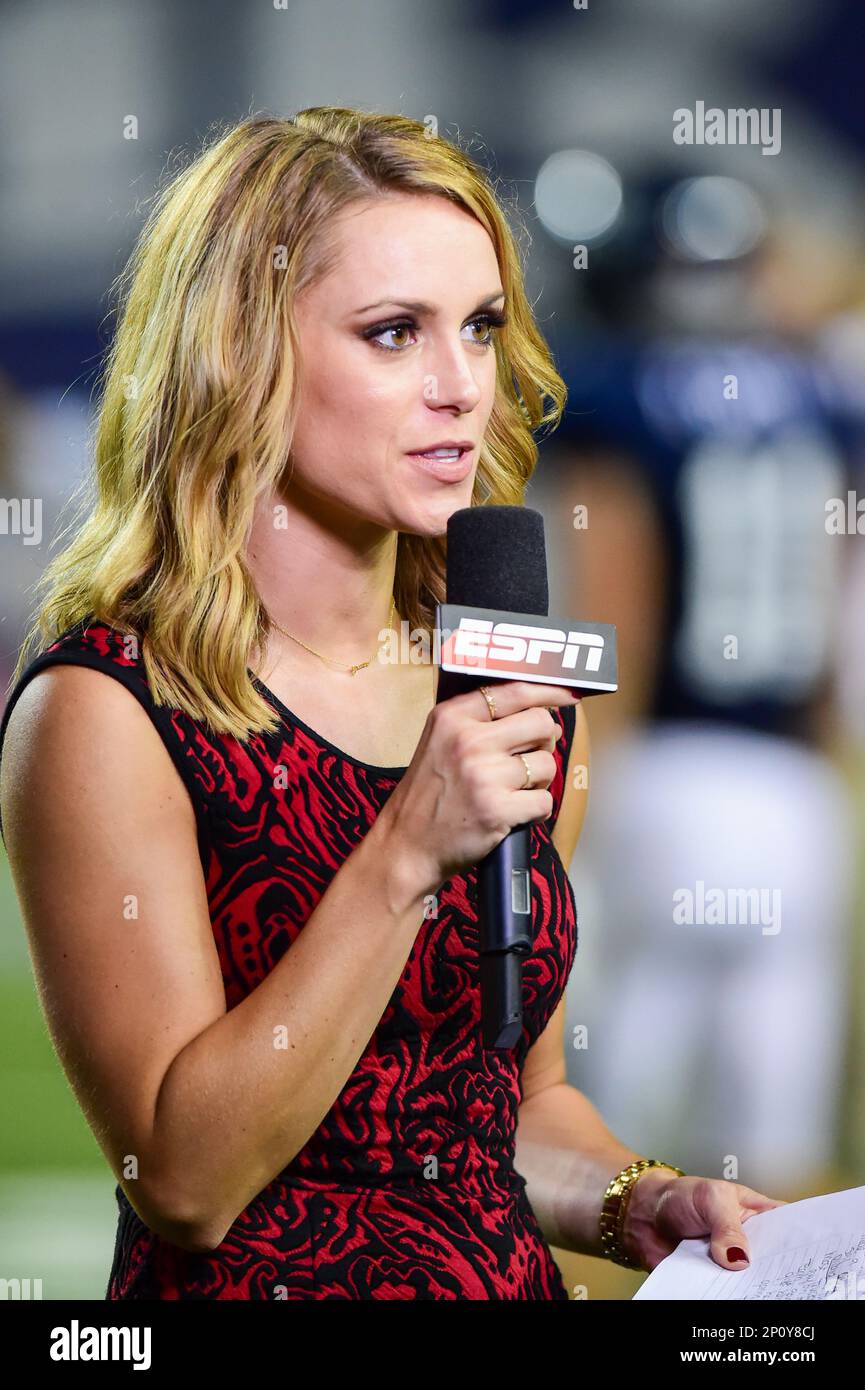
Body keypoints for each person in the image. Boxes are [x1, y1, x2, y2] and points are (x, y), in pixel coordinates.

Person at [0, 109, 784, 1300]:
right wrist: (407, 847)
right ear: (239, 354)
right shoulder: (108, 704)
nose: (460, 386)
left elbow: (500, 1116)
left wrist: (644, 1198)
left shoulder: (505, 685)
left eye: (478, 328)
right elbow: (184, 1180)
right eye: (392, 334)